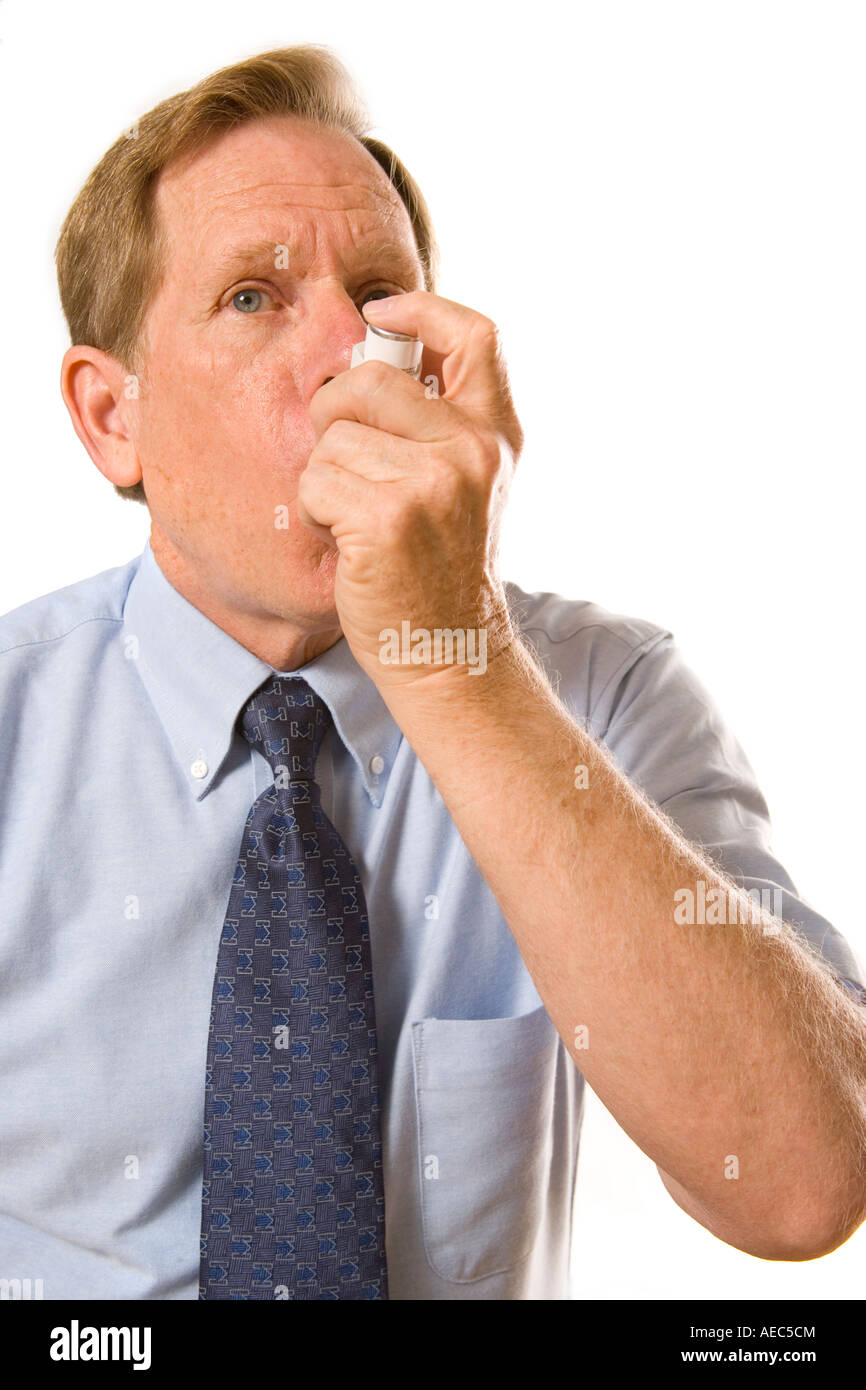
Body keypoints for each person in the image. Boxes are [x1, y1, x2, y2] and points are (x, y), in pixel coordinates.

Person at [1, 43, 864, 1302]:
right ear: (109, 418)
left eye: (379, 299)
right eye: (252, 297)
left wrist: (453, 659)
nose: (351, 358)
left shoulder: (603, 693)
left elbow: (803, 1185)